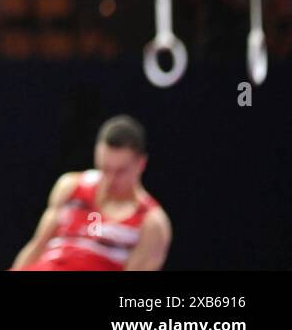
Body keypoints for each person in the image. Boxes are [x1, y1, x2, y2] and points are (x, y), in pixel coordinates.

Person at [11, 115, 172, 271]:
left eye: (120, 171)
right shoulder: (70, 186)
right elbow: (36, 246)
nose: (110, 179)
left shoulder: (152, 224)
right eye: (104, 168)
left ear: (141, 164)